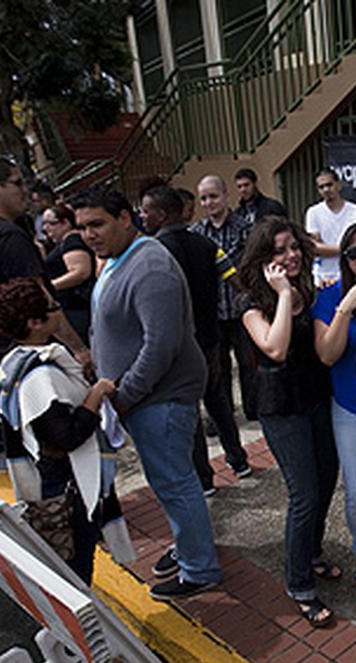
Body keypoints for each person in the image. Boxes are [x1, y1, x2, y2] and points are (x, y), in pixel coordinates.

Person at [75, 185, 221, 600]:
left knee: (174, 482)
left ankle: (199, 569)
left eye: (97, 224)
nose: (89, 234)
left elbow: (161, 344)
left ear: (125, 218)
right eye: (83, 227)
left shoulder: (151, 265)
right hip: (144, 398)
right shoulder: (118, 260)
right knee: (173, 481)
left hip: (159, 397)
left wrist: (124, 395)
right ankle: (190, 546)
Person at [0, 278, 130, 587]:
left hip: (49, 482)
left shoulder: (12, 364)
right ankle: (79, 631)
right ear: (34, 323)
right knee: (76, 565)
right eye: (52, 308)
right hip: (67, 487)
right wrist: (97, 393)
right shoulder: (42, 377)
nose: (58, 310)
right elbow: (67, 437)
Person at [237, 217, 339, 625]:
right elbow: (275, 348)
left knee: (327, 479)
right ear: (264, 258)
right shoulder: (252, 304)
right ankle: (298, 584)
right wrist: (281, 294)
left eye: (294, 247)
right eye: (279, 250)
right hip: (282, 408)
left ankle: (311, 552)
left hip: (316, 398)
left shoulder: (308, 290)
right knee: (304, 493)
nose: (291, 255)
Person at [141, 185, 253, 493]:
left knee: (189, 411)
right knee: (217, 402)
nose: (141, 215)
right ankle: (239, 460)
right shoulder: (207, 244)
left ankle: (204, 479)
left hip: (179, 345)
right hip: (210, 337)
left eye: (146, 210)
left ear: (162, 214)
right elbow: (234, 280)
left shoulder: (153, 251)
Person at [0, 157, 88, 378]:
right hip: (28, 355)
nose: (24, 192)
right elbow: (41, 298)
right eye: (17, 183)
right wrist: (79, 350)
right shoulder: (6, 235)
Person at [311, 218, 356, 593]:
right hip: (351, 410)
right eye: (354, 251)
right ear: (343, 258)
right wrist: (346, 307)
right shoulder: (328, 297)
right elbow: (326, 355)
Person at [193, 175, 257, 421]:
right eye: (204, 198)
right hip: (212, 312)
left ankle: (252, 409)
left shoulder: (244, 228)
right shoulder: (197, 233)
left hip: (241, 309)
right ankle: (224, 414)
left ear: (225, 195)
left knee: (247, 363)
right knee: (217, 368)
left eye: (213, 196)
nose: (209, 202)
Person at [304, 168, 356, 285]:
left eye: (329, 185)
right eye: (321, 187)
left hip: (353, 274)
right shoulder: (313, 212)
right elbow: (314, 247)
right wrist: (347, 249)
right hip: (325, 277)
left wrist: (328, 249)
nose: (326, 190)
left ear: (338, 185)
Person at [41, 204, 95, 343]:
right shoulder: (63, 243)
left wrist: (50, 286)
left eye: (51, 223)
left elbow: (80, 272)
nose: (46, 229)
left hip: (77, 307)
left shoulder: (72, 240)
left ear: (65, 222)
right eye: (44, 224)